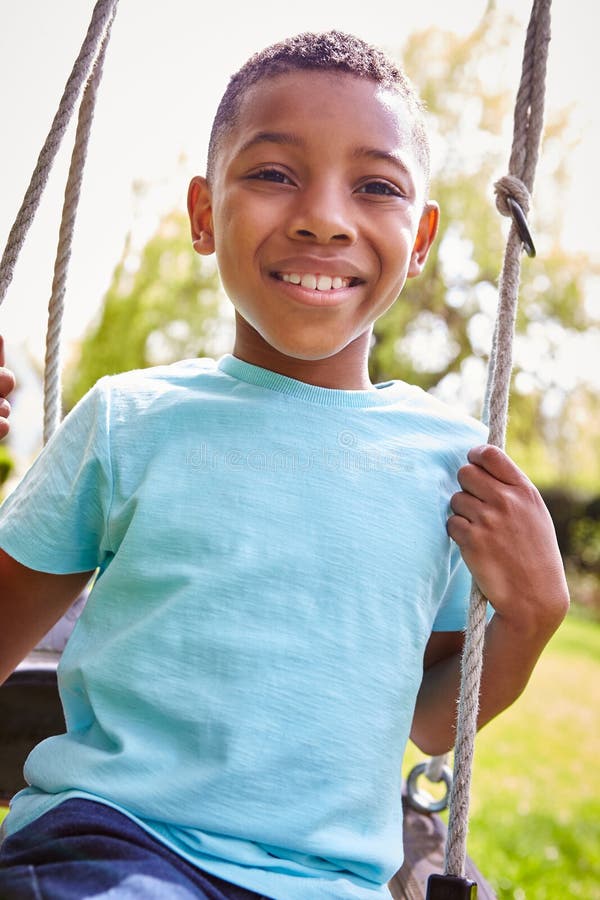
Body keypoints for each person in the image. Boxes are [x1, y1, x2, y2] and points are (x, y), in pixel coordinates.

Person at [0, 31, 569, 900]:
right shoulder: (129, 421)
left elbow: (426, 717)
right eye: (273, 173)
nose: (324, 217)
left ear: (419, 239)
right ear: (203, 213)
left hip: (330, 882)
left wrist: (530, 619)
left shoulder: (453, 466)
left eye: (374, 186)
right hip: (115, 850)